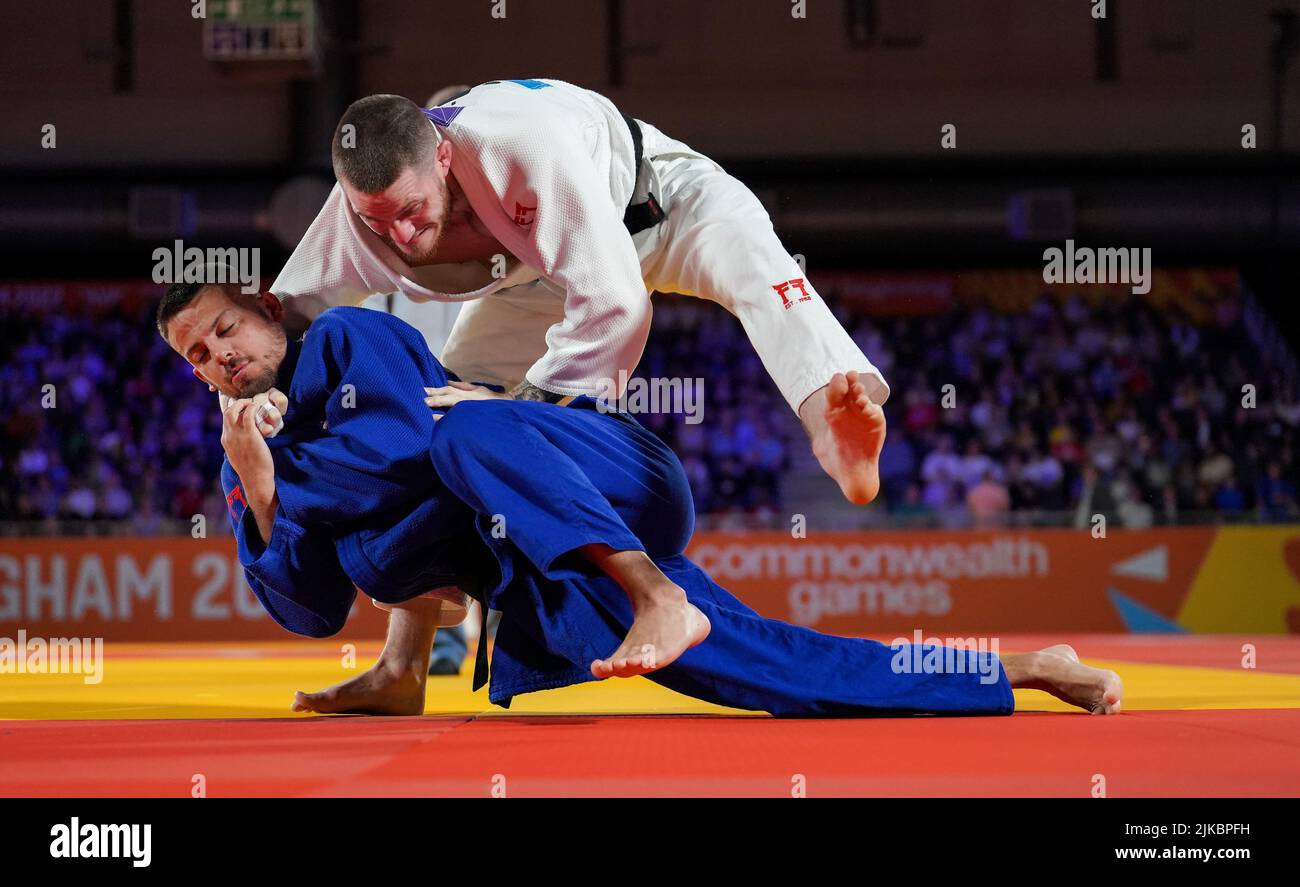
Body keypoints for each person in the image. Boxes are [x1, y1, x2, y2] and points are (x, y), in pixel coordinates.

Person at [158, 280, 1123, 717]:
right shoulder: (256, 458)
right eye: (197, 356)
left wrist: (300, 488)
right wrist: (259, 492)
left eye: (225, 330)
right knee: (762, 668)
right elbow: (311, 605)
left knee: (466, 431)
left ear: (266, 309)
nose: (219, 360)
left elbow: (413, 444)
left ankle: (655, 593)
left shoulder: (341, 345)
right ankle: (1022, 669)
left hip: (608, 480)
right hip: (547, 563)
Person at [271, 78, 888, 506]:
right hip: (536, 273)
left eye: (410, 211)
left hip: (664, 208)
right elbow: (288, 309)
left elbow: (619, 304)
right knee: (443, 417)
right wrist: (250, 390)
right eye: (378, 222)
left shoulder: (526, 147)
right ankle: (407, 650)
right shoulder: (367, 199)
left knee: (758, 266)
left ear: (443, 155)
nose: (399, 235)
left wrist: (518, 402)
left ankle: (829, 430)